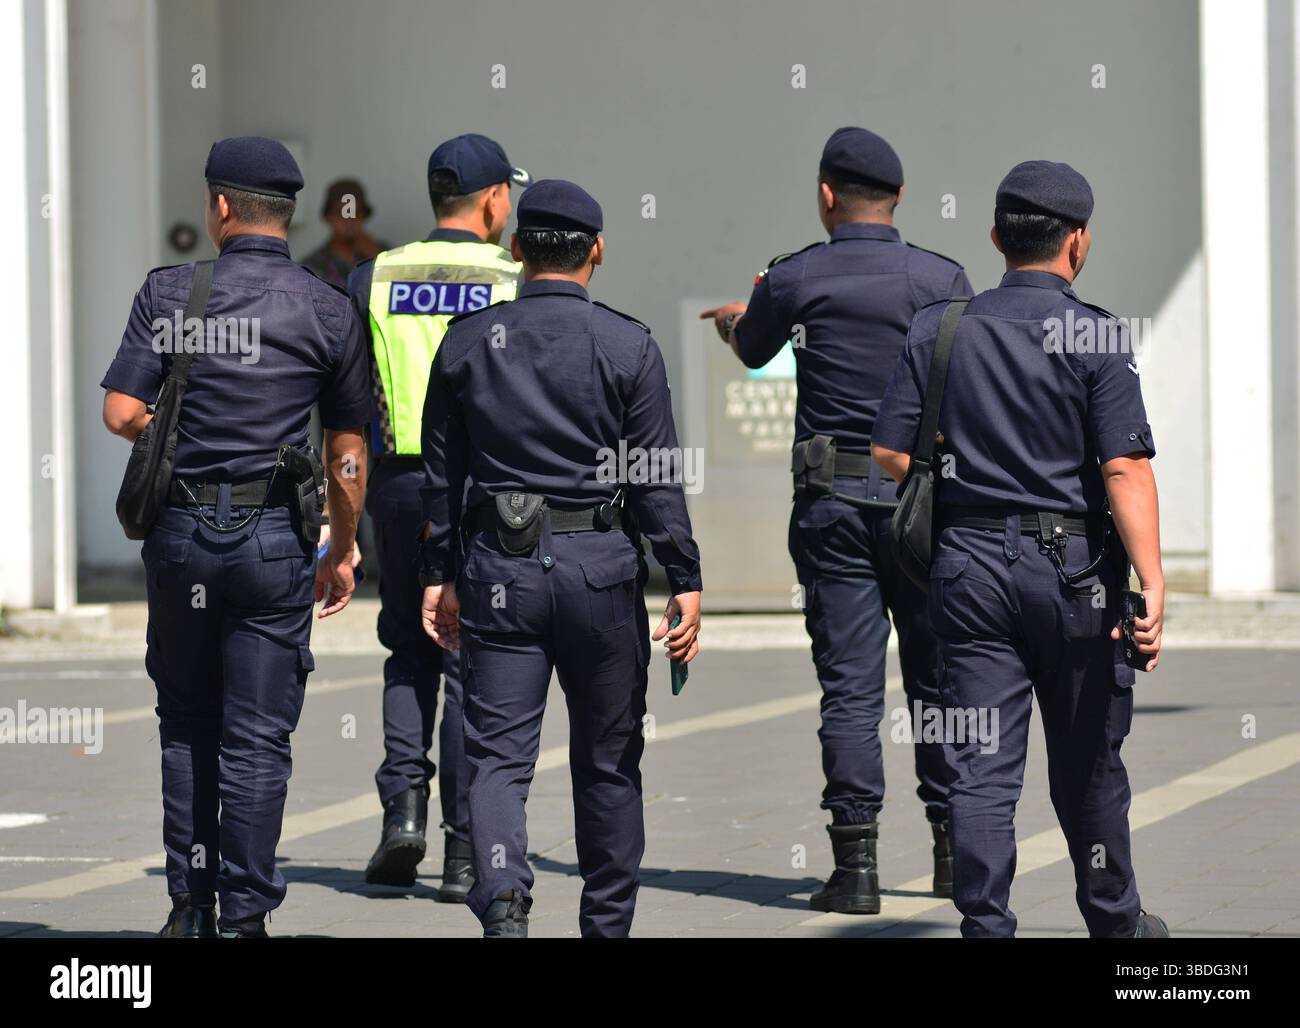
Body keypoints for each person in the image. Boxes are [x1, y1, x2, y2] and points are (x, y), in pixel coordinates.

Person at [871, 160, 1169, 938]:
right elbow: (1124, 466)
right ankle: (1115, 923)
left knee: (981, 766)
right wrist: (1154, 577)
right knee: (1088, 762)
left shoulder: (940, 327)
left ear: (998, 237)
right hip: (1075, 572)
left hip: (967, 567)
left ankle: (986, 926)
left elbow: (891, 456)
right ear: (1078, 242)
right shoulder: (1097, 333)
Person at [100, 136, 370, 938]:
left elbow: (121, 411)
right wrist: (342, 545)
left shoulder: (171, 292)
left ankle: (189, 909)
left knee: (186, 721)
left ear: (220, 206)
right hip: (275, 538)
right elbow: (348, 455)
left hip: (181, 531)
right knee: (257, 737)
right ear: (286, 215)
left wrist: (178, 441)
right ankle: (246, 917)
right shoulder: (328, 305)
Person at [419, 179, 703, 938]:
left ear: (515, 250)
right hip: (600, 570)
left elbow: (440, 477)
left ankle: (506, 900)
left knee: (498, 760)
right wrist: (684, 578)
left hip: (498, 572)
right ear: (597, 250)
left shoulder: (467, 341)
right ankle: (605, 926)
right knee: (608, 762)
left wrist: (438, 574)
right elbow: (654, 479)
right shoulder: (627, 344)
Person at [701, 127, 971, 913]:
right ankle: (956, 857)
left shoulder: (794, 278)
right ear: (899, 198)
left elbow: (754, 350)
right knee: (938, 681)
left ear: (826, 194)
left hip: (833, 509)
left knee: (850, 691)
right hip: (924, 507)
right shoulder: (940, 276)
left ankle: (855, 872)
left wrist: (734, 320)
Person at [346, 134, 529, 900]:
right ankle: (462, 853)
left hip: (396, 483)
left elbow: (349, 410)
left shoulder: (373, 275)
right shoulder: (514, 280)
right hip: (481, 487)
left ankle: (402, 815)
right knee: (470, 662)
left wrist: (339, 520)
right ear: (492, 199)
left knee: (406, 649)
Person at [301, 178, 388, 289]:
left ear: (364, 216)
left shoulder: (385, 255)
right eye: (341, 213)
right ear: (328, 217)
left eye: (355, 212)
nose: (349, 220)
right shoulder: (312, 266)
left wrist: (377, 260)